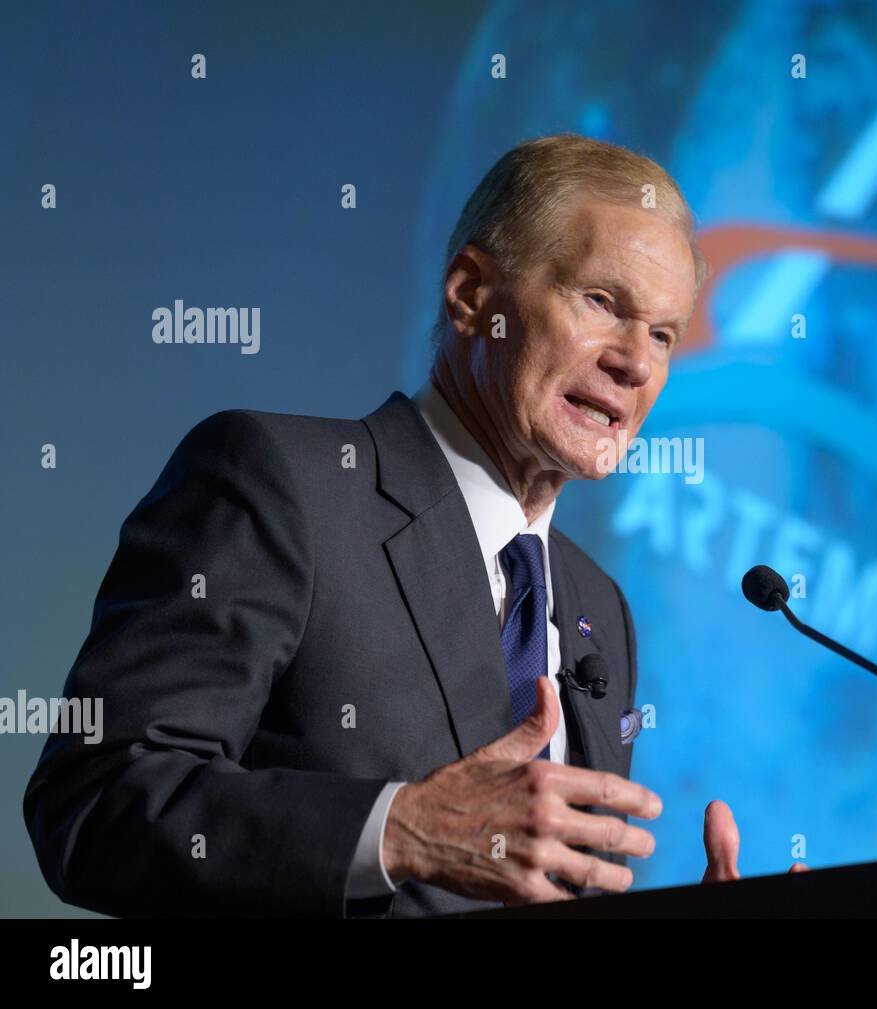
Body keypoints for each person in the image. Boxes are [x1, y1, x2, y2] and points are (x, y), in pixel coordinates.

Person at [25, 133, 796, 918]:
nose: (635, 361)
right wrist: (398, 832)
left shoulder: (601, 606)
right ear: (471, 294)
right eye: (601, 302)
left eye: (664, 334)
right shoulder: (281, 482)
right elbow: (93, 800)